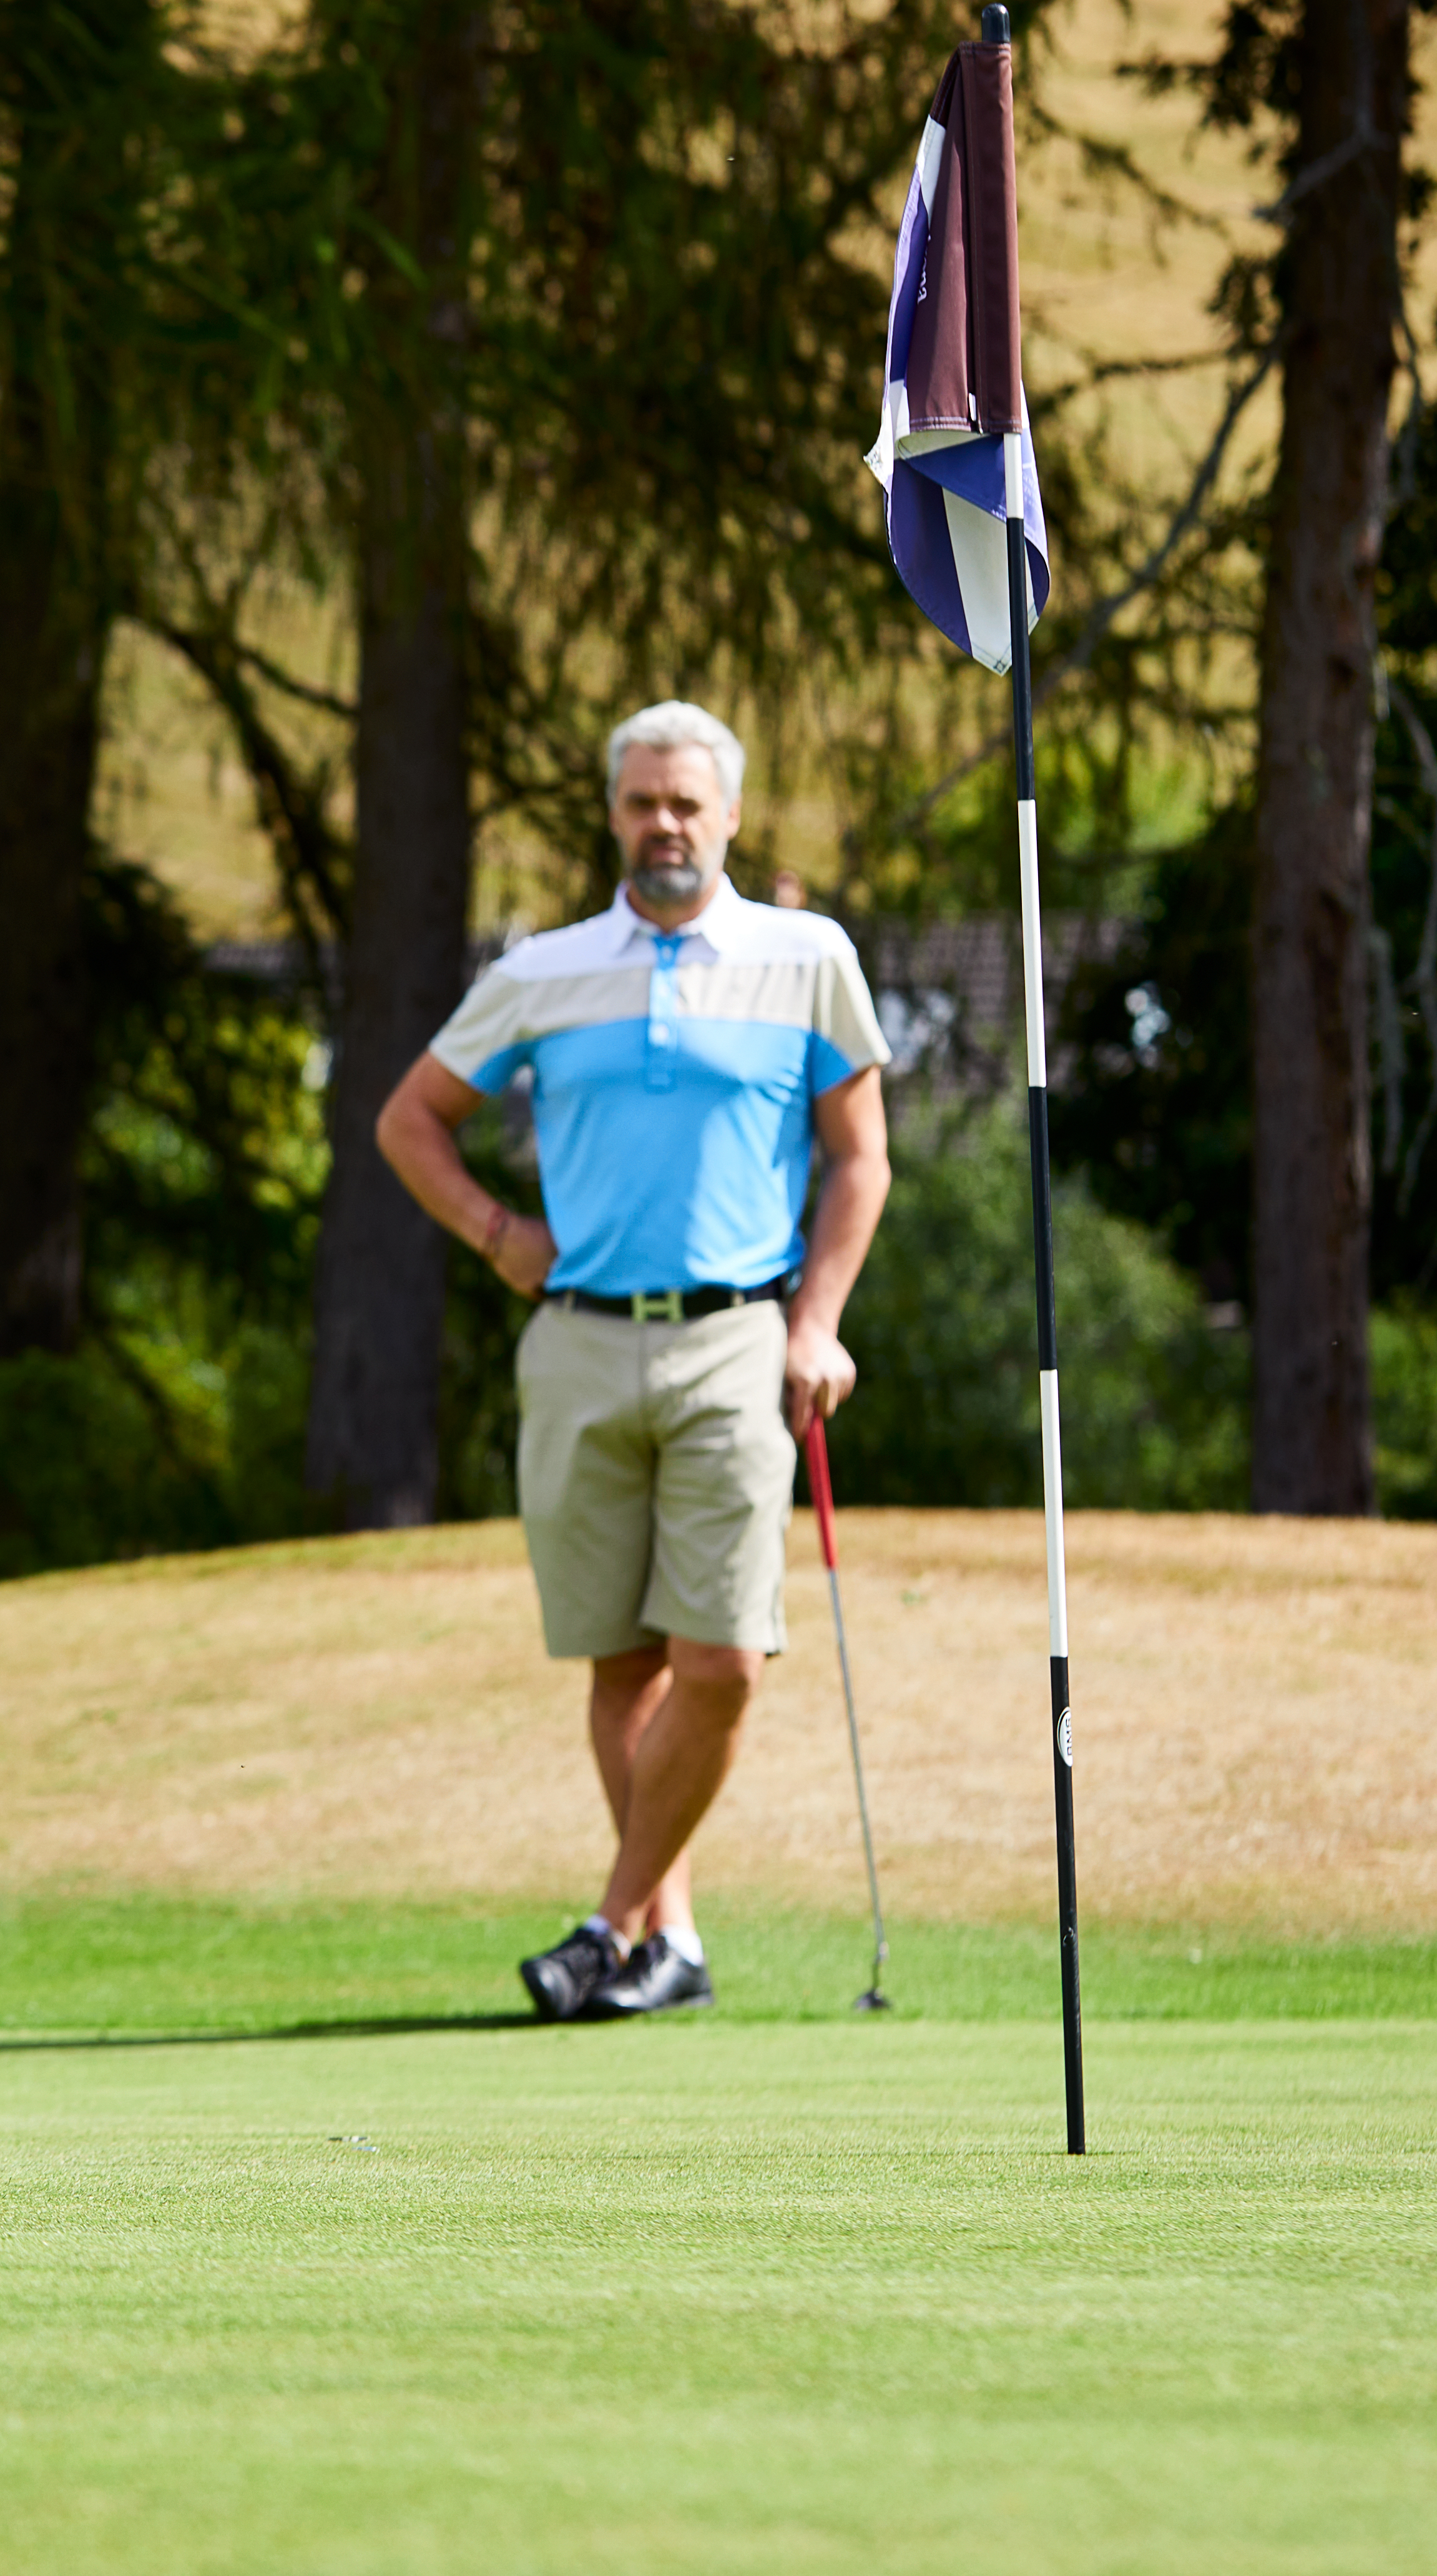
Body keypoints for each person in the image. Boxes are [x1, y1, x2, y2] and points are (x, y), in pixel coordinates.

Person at [373, 701, 893, 2022]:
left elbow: (859, 1156)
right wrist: (496, 1233)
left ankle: (610, 1927)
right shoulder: (545, 971)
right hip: (578, 1345)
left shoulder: (805, 955)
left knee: (719, 1656)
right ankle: (672, 1944)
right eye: (643, 802)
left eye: (688, 803)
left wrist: (819, 1315)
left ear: (729, 814)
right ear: (613, 814)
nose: (665, 823)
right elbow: (412, 1118)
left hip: (736, 1336)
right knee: (622, 1664)